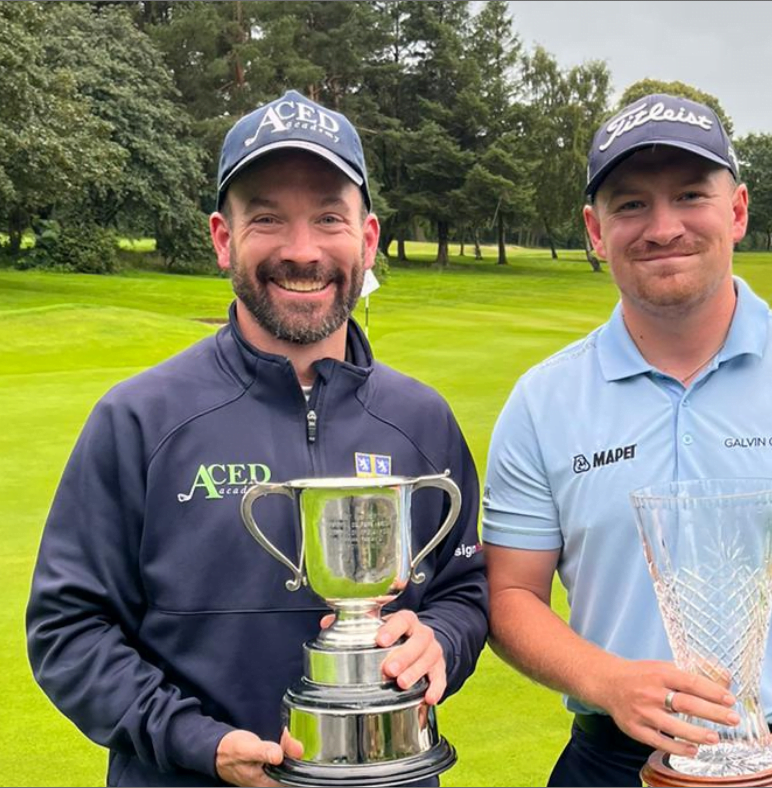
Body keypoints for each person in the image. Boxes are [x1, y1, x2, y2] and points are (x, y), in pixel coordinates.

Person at [482, 93, 772, 788]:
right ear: (594, 228)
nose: (662, 227)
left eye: (690, 195)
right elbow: (510, 593)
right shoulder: (543, 401)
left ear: (736, 210)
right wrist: (609, 682)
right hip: (612, 758)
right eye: (631, 204)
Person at [26, 90, 487, 788]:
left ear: (366, 240)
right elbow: (69, 630)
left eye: (329, 217)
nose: (302, 251)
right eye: (267, 218)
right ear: (223, 238)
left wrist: (442, 641)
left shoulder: (422, 419)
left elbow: (465, 590)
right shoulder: (139, 418)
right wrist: (195, 741)